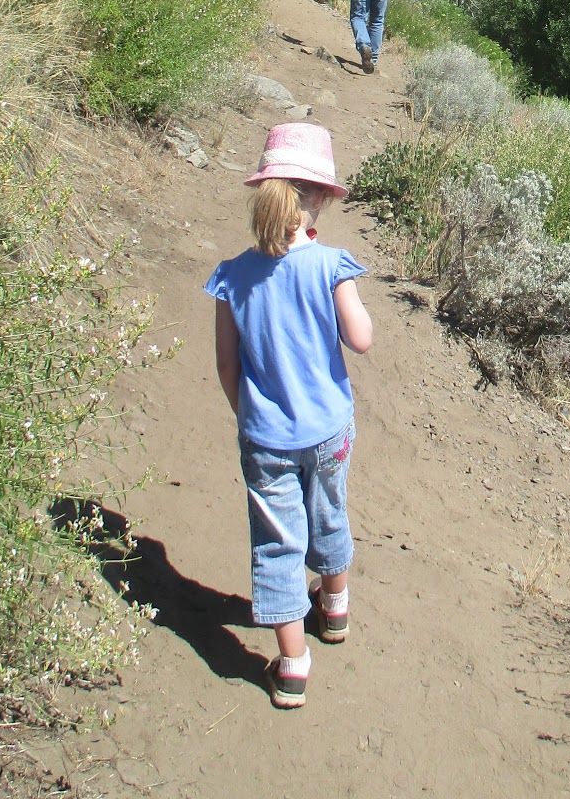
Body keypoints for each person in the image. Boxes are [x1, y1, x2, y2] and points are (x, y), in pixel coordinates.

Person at [204, 122, 373, 709]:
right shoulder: (330, 264)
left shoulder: (232, 276)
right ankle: (335, 606)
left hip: (265, 437)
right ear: (321, 198)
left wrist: (249, 416)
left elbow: (228, 367)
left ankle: (293, 665)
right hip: (329, 430)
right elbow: (361, 339)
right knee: (329, 512)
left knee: (277, 543)